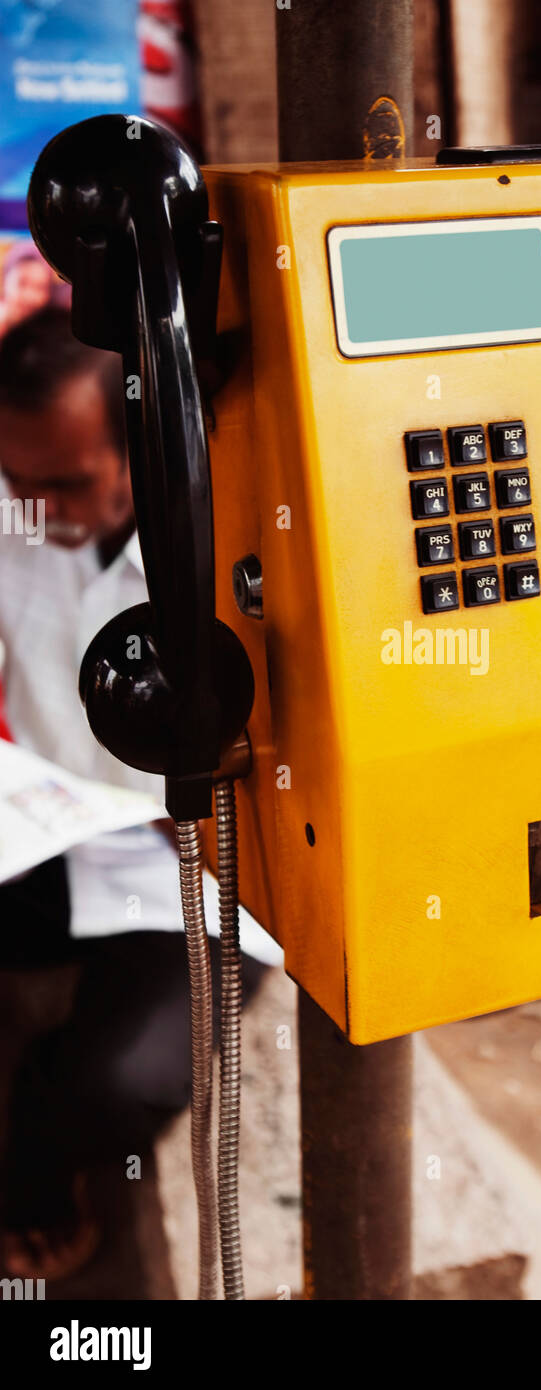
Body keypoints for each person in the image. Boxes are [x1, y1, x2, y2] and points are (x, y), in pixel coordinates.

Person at [0, 306, 281, 1281]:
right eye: (16, 480)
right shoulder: (17, 516)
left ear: (140, 446)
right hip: (42, 833)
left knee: (115, 1079)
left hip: (194, 873)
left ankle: (36, 1184)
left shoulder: (240, 556)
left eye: (65, 481)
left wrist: (226, 799)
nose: (37, 506)